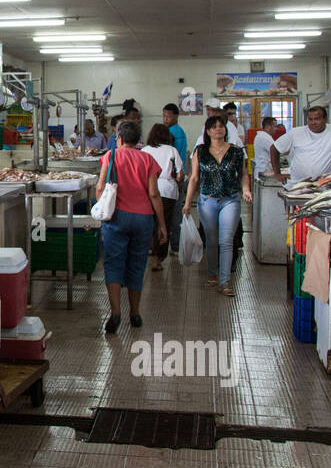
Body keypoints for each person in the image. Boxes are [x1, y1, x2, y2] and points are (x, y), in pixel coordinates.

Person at [96, 120, 167, 334]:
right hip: (143, 218)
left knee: (114, 263)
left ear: (119, 138)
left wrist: (102, 210)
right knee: (137, 264)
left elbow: (100, 187)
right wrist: (162, 224)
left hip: (116, 217)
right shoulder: (147, 159)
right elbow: (154, 193)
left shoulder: (111, 156)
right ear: (138, 141)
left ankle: (116, 311)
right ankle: (135, 313)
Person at [183, 114, 252, 297]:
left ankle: (225, 282)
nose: (218, 129)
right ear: (208, 131)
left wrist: (246, 189)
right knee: (212, 241)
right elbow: (194, 178)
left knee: (226, 241)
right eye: (214, 127)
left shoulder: (236, 151)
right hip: (207, 200)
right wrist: (188, 202)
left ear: (226, 130)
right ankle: (213, 274)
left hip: (230, 199)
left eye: (221, 126)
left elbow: (243, 174)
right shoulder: (200, 151)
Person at [141, 124, 183, 272]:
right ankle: (157, 260)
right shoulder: (172, 150)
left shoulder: (144, 150)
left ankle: (150, 251)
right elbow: (180, 174)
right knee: (164, 224)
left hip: (147, 190)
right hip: (167, 191)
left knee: (150, 223)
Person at [270, 105, 331, 185]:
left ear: (325, 119)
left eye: (317, 119)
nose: (313, 122)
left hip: (321, 186)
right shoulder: (296, 132)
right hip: (295, 185)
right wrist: (277, 173)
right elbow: (274, 148)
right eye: (310, 119)